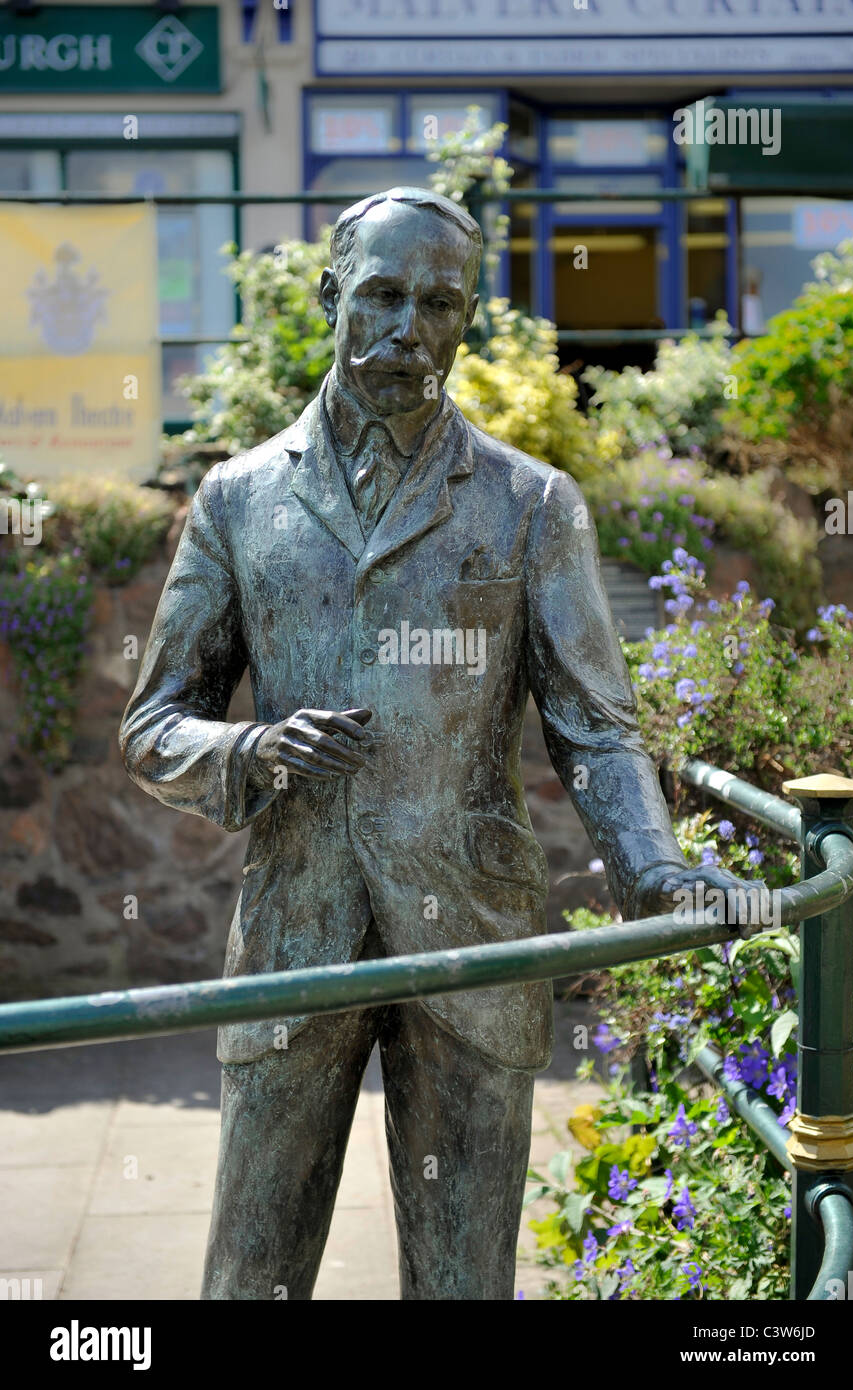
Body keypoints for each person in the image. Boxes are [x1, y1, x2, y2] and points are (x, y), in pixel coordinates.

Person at [119, 187, 753, 1300]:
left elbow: (596, 727)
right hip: (293, 937)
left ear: (466, 320)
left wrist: (651, 866)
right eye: (381, 294)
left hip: (470, 937)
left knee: (463, 1282)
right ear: (330, 295)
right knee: (248, 1278)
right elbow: (153, 725)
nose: (408, 325)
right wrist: (252, 750)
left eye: (438, 302)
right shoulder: (238, 499)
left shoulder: (528, 502)